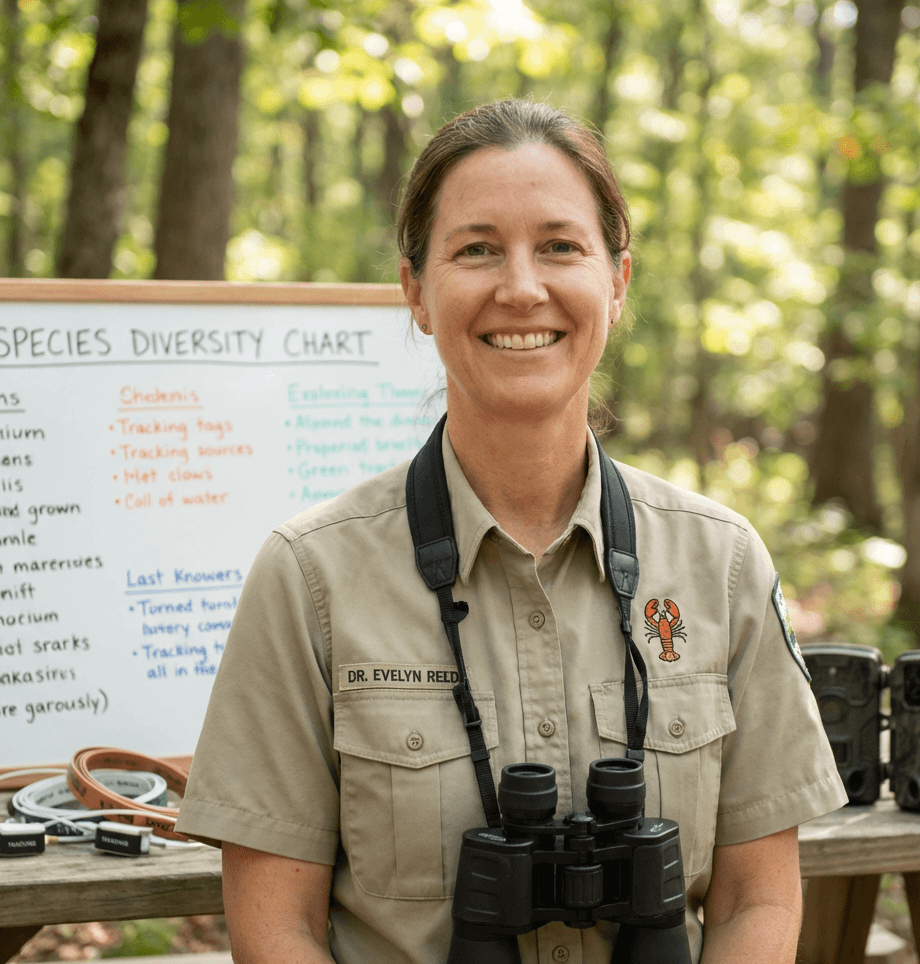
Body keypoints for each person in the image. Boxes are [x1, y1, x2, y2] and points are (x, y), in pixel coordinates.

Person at [175, 99, 846, 964]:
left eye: (561, 246)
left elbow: (759, 900)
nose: (521, 287)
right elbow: (276, 929)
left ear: (618, 279)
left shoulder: (718, 565)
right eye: (477, 249)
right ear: (417, 291)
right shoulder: (312, 578)